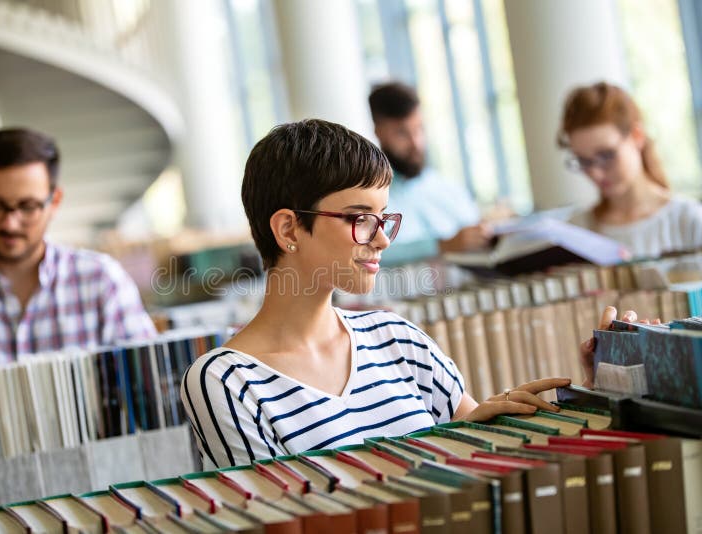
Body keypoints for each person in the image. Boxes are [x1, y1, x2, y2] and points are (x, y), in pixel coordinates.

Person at [181, 119, 569, 468]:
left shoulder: (398, 338)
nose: (382, 239)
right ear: (288, 230)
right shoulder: (227, 382)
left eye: (382, 218)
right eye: (360, 218)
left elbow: (475, 450)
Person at [0, 128, 156, 379]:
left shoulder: (102, 282)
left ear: (54, 201)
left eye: (27, 206)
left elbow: (150, 385)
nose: (10, 223)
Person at [558, 81, 702, 259]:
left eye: (606, 155)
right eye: (584, 161)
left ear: (637, 136)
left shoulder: (689, 220)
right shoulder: (576, 231)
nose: (596, 173)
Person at [368, 81, 493, 254]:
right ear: (378, 131)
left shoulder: (449, 189)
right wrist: (442, 246)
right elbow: (372, 251)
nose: (416, 143)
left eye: (419, 129)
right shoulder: (372, 199)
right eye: (402, 133)